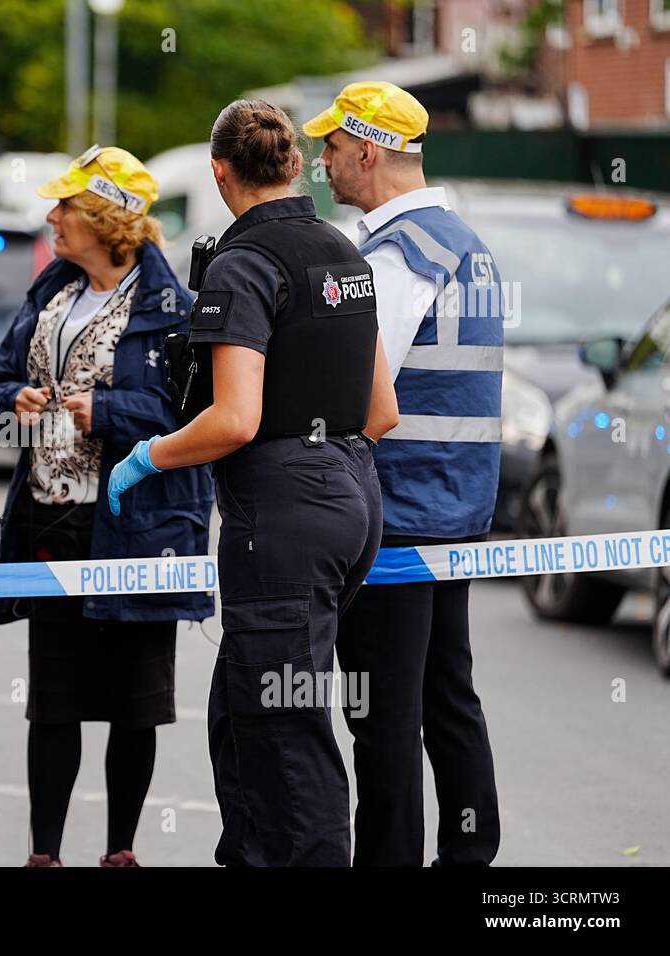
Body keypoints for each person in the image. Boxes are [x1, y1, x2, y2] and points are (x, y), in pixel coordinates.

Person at [107, 100, 399, 866]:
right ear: (295, 164)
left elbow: (235, 419)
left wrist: (150, 456)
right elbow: (383, 411)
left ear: (219, 171)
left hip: (284, 510)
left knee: (285, 731)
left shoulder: (242, 265)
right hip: (352, 491)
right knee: (243, 710)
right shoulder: (343, 251)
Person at [0, 146, 213, 868]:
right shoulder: (51, 292)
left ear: (106, 218)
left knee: (137, 703)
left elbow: (195, 416)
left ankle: (121, 851)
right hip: (52, 520)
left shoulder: (175, 309)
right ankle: (44, 855)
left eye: (66, 206)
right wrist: (10, 398)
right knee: (54, 701)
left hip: (140, 529)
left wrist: (105, 410)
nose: (52, 217)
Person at [304, 81, 503, 866]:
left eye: (330, 147)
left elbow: (358, 390)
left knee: (384, 714)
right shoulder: (461, 241)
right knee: (446, 694)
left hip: (397, 513)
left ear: (367, 150)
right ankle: (470, 854)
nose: (322, 162)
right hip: (454, 507)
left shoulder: (397, 256)